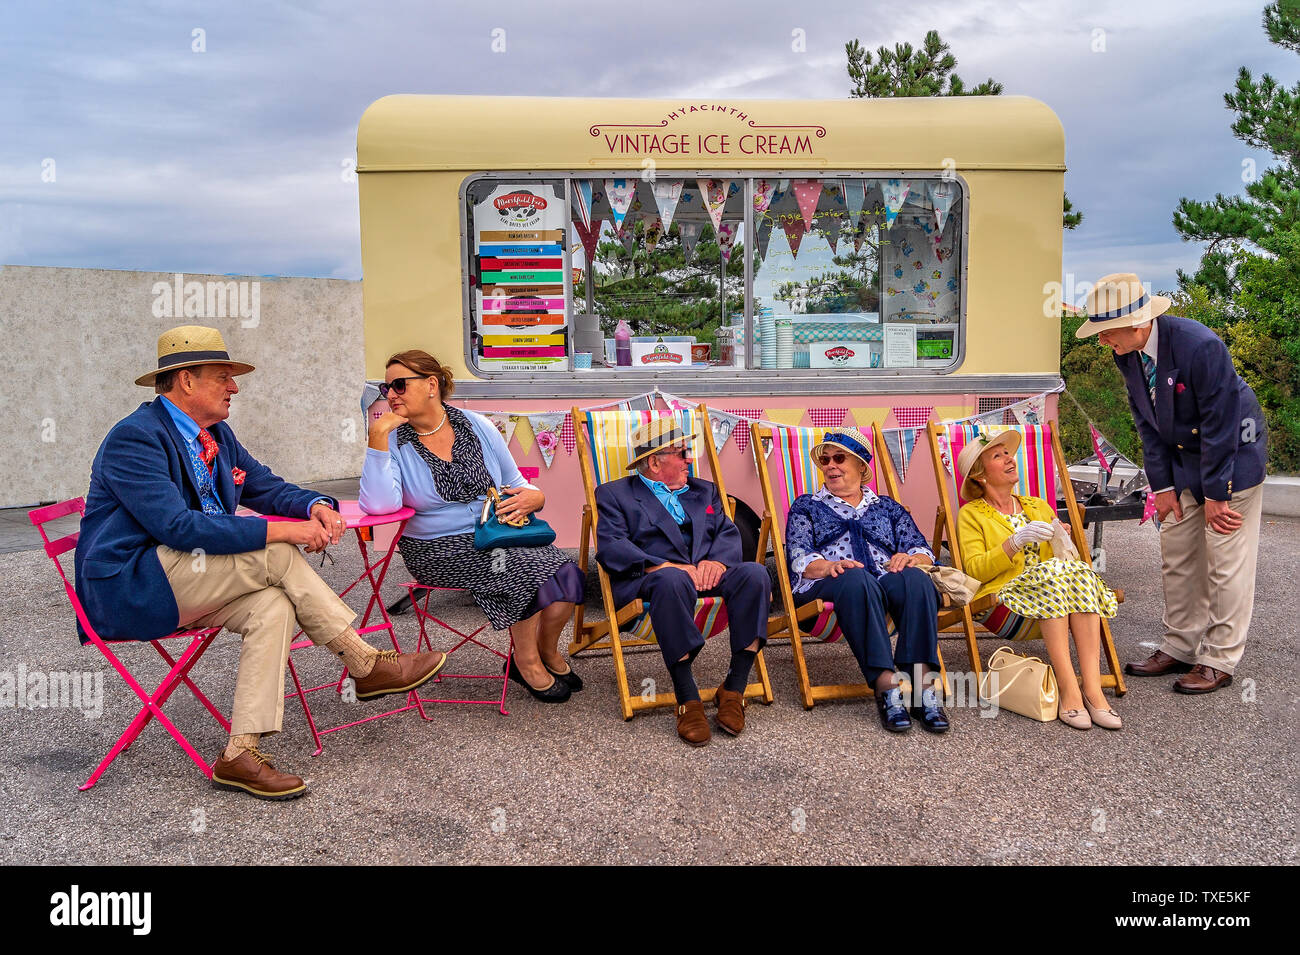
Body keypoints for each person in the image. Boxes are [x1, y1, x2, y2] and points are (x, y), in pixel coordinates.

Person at [76, 326, 446, 801]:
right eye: (224, 376)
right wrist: (287, 530)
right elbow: (178, 527)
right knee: (275, 551)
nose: (235, 386)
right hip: (132, 585)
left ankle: (240, 754)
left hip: (189, 578)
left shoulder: (215, 435)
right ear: (186, 381)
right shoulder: (135, 438)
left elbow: (265, 486)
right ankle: (363, 662)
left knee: (272, 605)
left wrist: (314, 505)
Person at [1078, 272, 1267, 694]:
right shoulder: (1127, 352)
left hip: (1233, 459)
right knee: (1177, 552)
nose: (1102, 341)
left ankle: (1218, 659)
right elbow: (1147, 422)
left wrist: (1219, 495)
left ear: (1137, 322)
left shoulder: (1201, 346)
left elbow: (1222, 426)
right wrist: (1161, 488)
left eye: (1107, 332)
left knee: (1224, 562)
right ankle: (1180, 645)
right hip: (1182, 464)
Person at [360, 350, 584, 703]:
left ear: (431, 385)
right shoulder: (394, 440)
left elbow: (515, 481)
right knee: (525, 568)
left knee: (568, 573)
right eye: (386, 386)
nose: (390, 394)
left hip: (497, 533)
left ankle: (546, 650)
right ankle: (526, 663)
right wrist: (377, 439)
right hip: (437, 548)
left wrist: (535, 498)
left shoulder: (476, 424)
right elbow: (378, 505)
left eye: (399, 385)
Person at [594, 419, 769, 746]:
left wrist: (716, 561)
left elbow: (727, 533)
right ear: (655, 462)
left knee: (756, 574)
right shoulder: (616, 494)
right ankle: (688, 699)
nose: (690, 458)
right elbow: (612, 545)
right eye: (682, 453)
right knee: (671, 580)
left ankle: (733, 689)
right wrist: (665, 565)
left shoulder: (706, 490)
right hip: (655, 582)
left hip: (707, 575)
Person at [784, 432, 949, 734]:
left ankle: (922, 685)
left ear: (861, 466)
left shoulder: (887, 507)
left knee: (916, 580)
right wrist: (830, 566)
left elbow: (922, 550)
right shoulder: (806, 505)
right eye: (825, 460)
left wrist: (910, 559)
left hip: (885, 584)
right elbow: (798, 558)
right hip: (829, 585)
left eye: (839, 458)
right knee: (855, 577)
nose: (830, 466)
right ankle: (887, 688)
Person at [956, 431, 1121, 730]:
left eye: (1008, 453)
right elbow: (974, 570)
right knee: (1056, 577)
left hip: (1051, 598)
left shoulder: (1037, 506)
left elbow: (1060, 561)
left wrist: (1061, 537)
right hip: (1004, 604)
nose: (1009, 458)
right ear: (980, 476)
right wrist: (1013, 543)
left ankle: (1093, 690)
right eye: (998, 455)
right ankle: (1070, 689)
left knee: (1078, 573)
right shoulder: (971, 515)